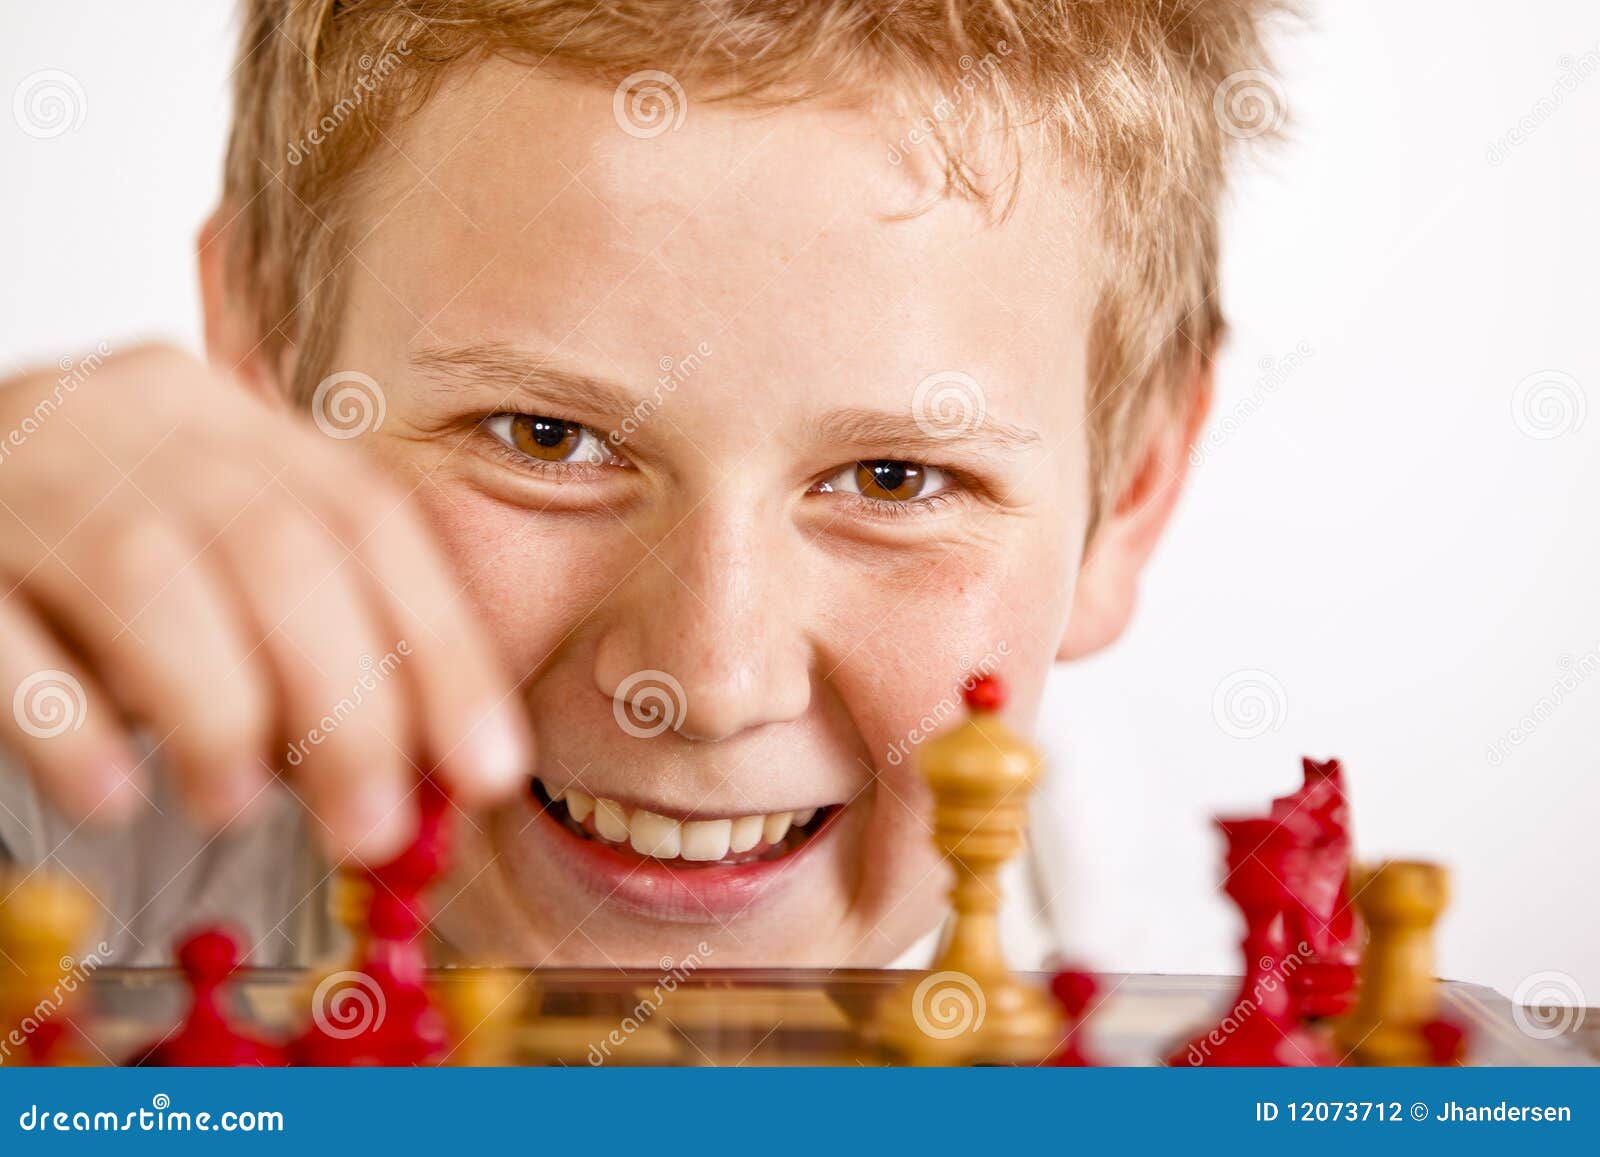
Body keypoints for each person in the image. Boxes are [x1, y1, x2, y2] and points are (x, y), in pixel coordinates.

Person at [0, 0, 1280, 968]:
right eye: (544, 438)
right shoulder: (71, 824)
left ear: (1132, 493)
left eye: (896, 475)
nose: (708, 681)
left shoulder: (1176, 970)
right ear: (265, 372)